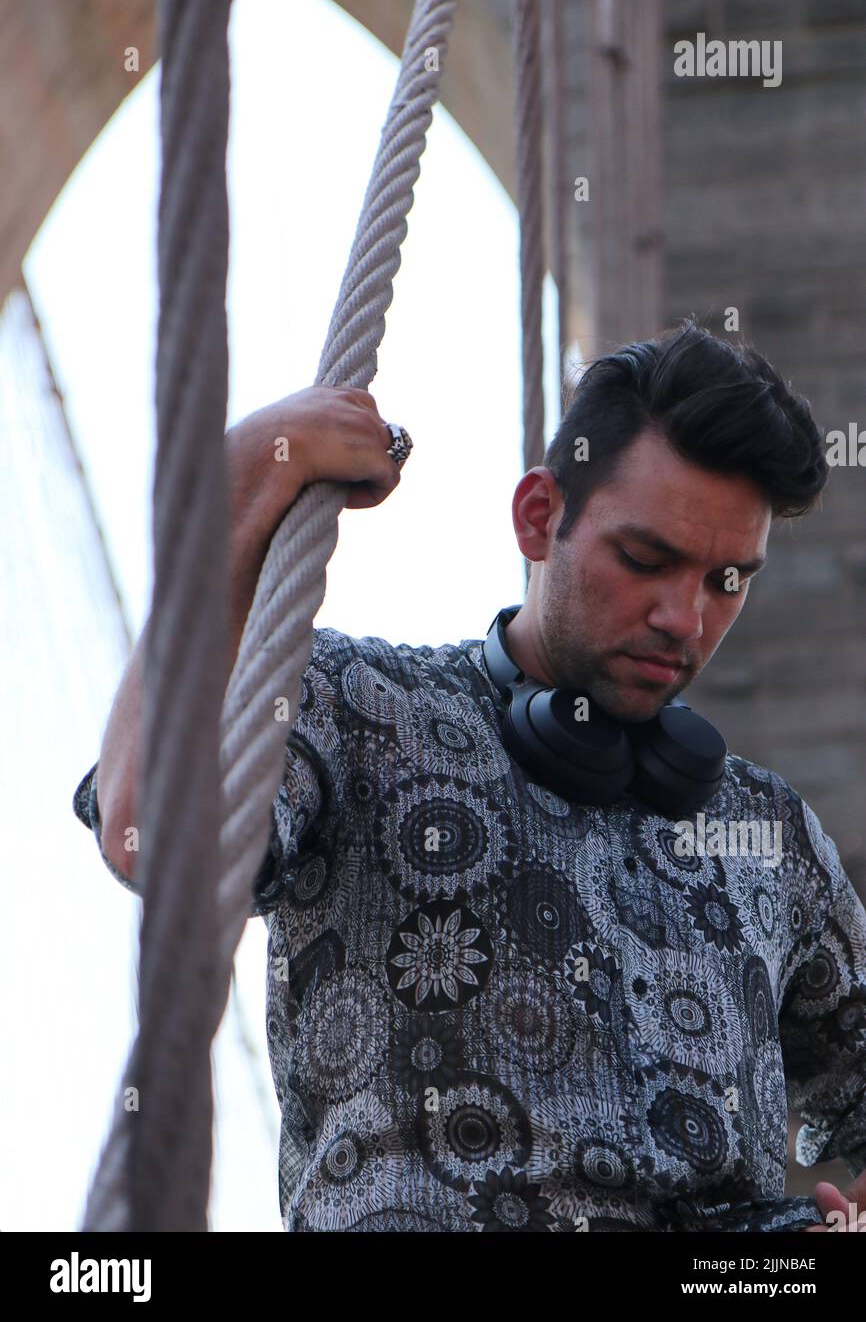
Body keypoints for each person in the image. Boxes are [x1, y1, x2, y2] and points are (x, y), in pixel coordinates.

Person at [73, 317, 866, 1232]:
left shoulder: (769, 830)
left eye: (728, 580)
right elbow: (147, 832)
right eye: (647, 561)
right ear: (539, 518)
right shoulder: (355, 708)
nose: (685, 619)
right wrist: (236, 481)